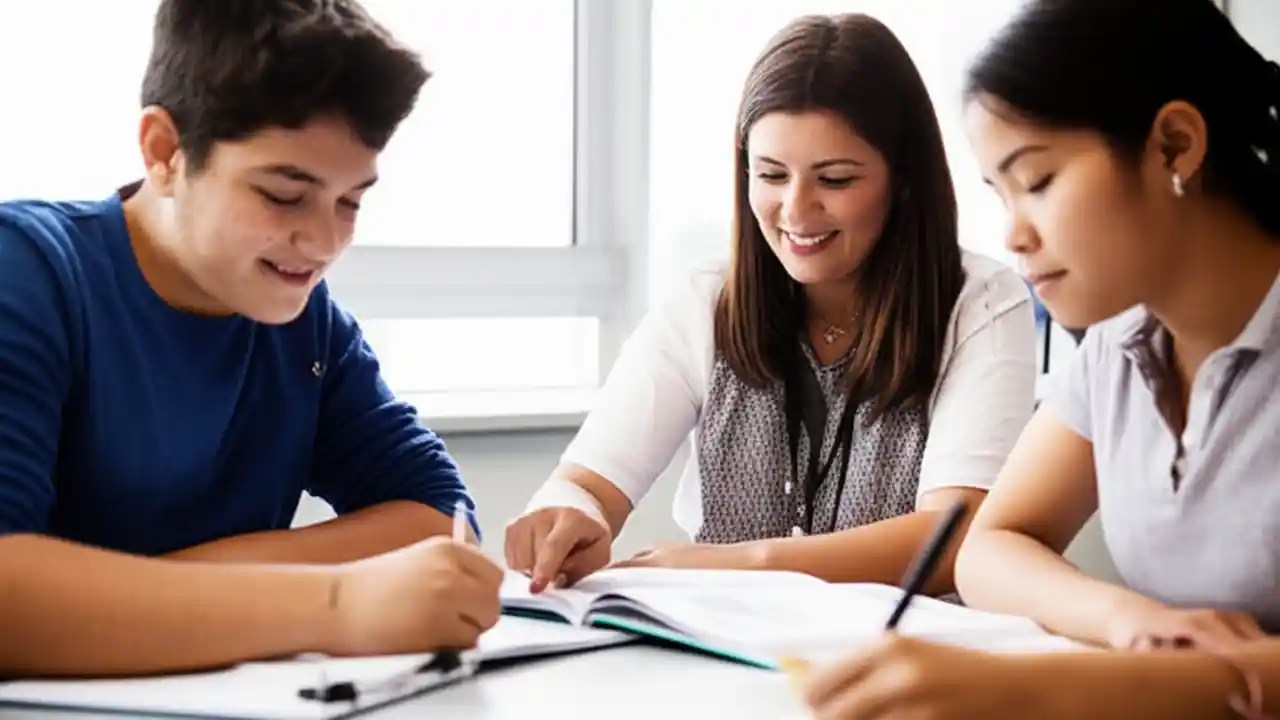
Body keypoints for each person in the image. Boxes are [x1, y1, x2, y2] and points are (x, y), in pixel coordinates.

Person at [800, 1, 1280, 717]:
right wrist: (1130, 622)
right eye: (1000, 193)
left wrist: (1044, 688)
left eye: (1039, 182)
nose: (1014, 235)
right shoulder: (1120, 344)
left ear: (1175, 146)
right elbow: (992, 546)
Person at [0, 0, 502, 678]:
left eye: (351, 200)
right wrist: (335, 603)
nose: (325, 243)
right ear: (165, 152)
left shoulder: (307, 325)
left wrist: (163, 589)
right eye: (283, 195)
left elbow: (435, 516)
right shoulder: (27, 275)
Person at [505, 13, 1036, 595]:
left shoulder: (982, 303)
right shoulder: (704, 303)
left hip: (905, 661)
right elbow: (587, 482)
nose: (796, 211)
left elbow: (953, 539)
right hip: (726, 655)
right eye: (771, 175)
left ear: (903, 179)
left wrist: (739, 563)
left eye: (834, 180)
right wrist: (568, 510)